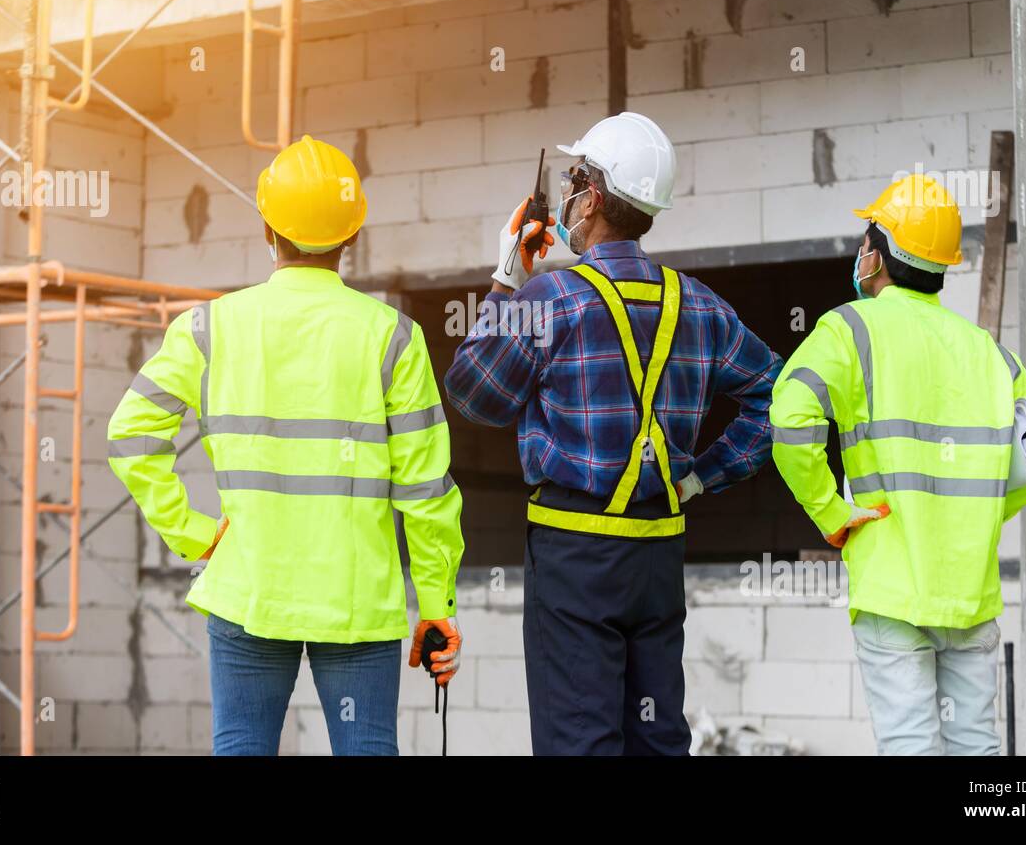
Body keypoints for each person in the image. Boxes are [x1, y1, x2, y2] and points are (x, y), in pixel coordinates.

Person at [107, 135, 464, 755]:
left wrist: (192, 532)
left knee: (242, 745)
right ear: (352, 236)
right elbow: (426, 491)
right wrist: (436, 603)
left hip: (249, 590)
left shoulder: (207, 329)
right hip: (356, 603)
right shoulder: (394, 339)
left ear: (266, 228)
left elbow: (132, 438)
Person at [443, 112, 782, 755]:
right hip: (657, 554)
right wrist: (703, 475)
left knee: (580, 739)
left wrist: (506, 274)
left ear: (593, 198)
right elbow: (783, 402)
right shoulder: (699, 305)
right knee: (656, 740)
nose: (566, 193)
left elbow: (474, 391)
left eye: (574, 179)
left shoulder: (552, 299)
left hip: (575, 556)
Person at [769, 172, 1026, 755]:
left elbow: (790, 421)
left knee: (910, 746)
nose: (860, 253)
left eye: (865, 240)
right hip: (970, 592)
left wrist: (830, 510)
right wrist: (977, 515)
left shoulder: (850, 329)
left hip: (892, 590)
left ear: (877, 256)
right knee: (977, 751)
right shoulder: (988, 352)